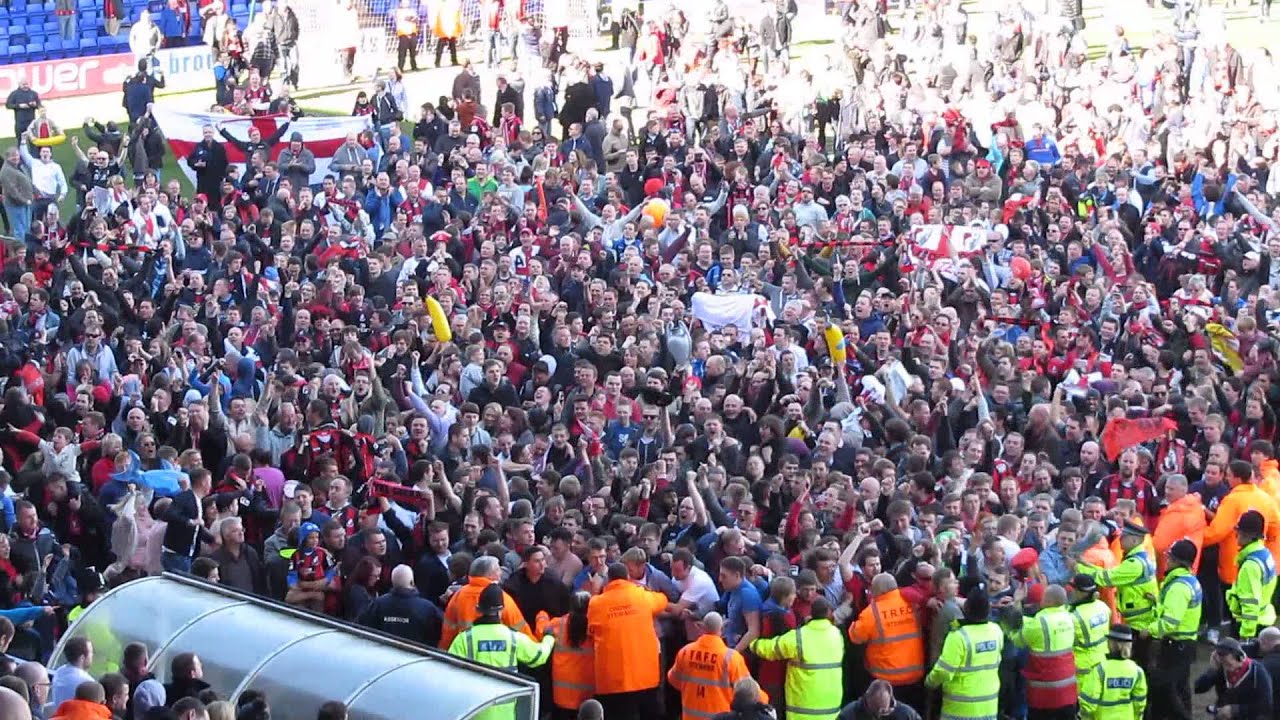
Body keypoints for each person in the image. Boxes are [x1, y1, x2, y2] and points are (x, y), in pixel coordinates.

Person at [448, 583, 555, 719]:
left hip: (474, 711)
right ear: (501, 611)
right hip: (505, 714)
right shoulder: (512, 637)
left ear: (479, 609)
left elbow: (450, 673)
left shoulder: (464, 638)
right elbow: (539, 656)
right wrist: (549, 638)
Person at [587, 562, 672, 720]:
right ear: (628, 578)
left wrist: (594, 591)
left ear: (608, 580)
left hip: (612, 680)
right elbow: (662, 600)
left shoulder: (596, 603)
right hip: (645, 677)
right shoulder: (641, 596)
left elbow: (591, 630)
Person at [1075, 521, 1158, 665]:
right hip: (1142, 617)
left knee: (1138, 662)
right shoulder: (1142, 558)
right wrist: (1086, 564)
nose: (1120, 540)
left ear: (1134, 540)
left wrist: (1078, 568)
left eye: (1124, 537)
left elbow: (1106, 579)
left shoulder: (1134, 564)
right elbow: (1109, 574)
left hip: (1138, 622)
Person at [750, 596, 844, 720]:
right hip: (831, 710)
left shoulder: (799, 637)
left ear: (811, 613)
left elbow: (771, 649)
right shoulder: (837, 635)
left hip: (802, 711)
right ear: (829, 613)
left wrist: (753, 644)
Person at [847, 573, 925, 709]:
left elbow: (856, 637)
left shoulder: (871, 613)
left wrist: (852, 624)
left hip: (886, 680)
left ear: (876, 590)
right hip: (915, 677)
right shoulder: (912, 603)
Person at [668, 611, 765, 720]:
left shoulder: (685, 652)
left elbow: (673, 680)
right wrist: (765, 702)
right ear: (722, 630)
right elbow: (749, 691)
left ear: (702, 628)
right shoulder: (731, 658)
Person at [1147, 539, 1201, 720]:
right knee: (1180, 688)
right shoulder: (1187, 580)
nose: (1166, 559)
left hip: (1177, 645)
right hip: (1185, 645)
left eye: (1169, 556)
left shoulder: (1178, 586)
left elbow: (1170, 622)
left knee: (1168, 689)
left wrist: (1149, 630)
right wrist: (1157, 602)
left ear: (1177, 560)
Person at [925, 593, 1002, 720]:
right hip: (989, 705)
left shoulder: (958, 637)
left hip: (960, 709)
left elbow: (943, 671)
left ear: (966, 610)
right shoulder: (996, 631)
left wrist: (929, 682)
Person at [440, 556, 533, 649]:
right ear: (490, 575)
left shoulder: (458, 595)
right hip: (495, 655)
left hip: (464, 654)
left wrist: (444, 652)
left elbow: (448, 630)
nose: (500, 573)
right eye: (497, 569)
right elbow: (520, 629)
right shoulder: (501, 598)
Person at [1016, 584, 1077, 719]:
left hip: (1043, 692)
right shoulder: (1069, 617)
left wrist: (1015, 605)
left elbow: (1018, 639)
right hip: (1068, 690)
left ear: (1049, 601)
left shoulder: (1039, 622)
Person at [535, 591, 595, 720]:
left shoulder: (558, 624)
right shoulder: (594, 626)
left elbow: (541, 632)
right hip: (588, 695)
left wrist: (542, 616)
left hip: (562, 696)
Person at [358, 564, 444, 646]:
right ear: (412, 582)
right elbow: (440, 632)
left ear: (392, 582)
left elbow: (361, 627)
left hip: (383, 655)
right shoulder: (427, 608)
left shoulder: (377, 604)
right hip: (416, 657)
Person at [1078, 624, 1148, 720]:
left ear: (1112, 644)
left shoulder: (1100, 670)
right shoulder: (1137, 671)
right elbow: (1139, 704)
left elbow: (1088, 705)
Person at [1227, 509, 1277, 639]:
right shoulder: (1264, 554)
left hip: (1249, 626)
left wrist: (1246, 636)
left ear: (1246, 535)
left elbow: (1250, 603)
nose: (1236, 535)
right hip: (1263, 618)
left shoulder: (1250, 565)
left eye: (1238, 532)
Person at [1195, 637, 1274, 719]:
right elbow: (1198, 688)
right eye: (1223, 664)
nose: (1226, 668)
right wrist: (1213, 670)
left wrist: (1235, 710)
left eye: (1229, 664)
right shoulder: (1221, 667)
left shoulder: (1257, 671)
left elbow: (1266, 705)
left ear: (1240, 657)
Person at [836, 679, 922, 720]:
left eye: (884, 712)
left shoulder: (906, 714)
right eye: (874, 711)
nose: (879, 715)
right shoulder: (849, 714)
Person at [50, 638, 93, 708]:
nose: (92, 655)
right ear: (82, 658)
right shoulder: (87, 682)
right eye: (91, 652)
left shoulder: (59, 672)